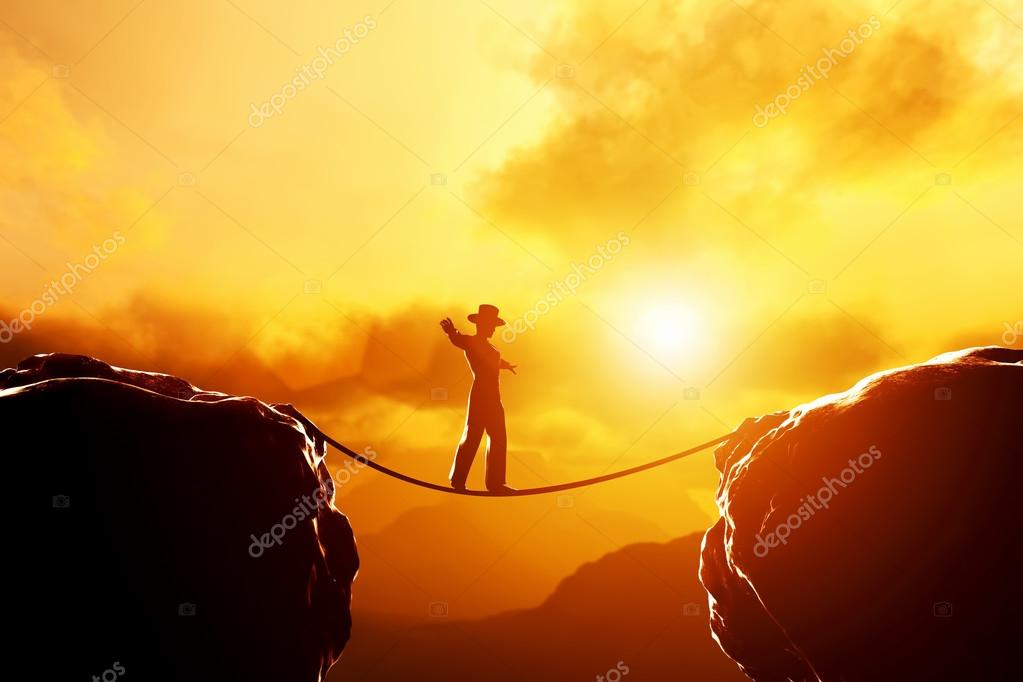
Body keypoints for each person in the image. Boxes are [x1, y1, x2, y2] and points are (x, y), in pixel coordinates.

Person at [440, 304, 517, 492]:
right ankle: (458, 480)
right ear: (481, 325)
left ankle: (495, 483)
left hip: (494, 396)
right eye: (490, 325)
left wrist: (505, 365)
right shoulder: (471, 341)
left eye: (494, 326)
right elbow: (459, 340)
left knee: (499, 437)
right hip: (481, 395)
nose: (492, 329)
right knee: (473, 435)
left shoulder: (491, 347)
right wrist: (452, 331)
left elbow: (493, 361)